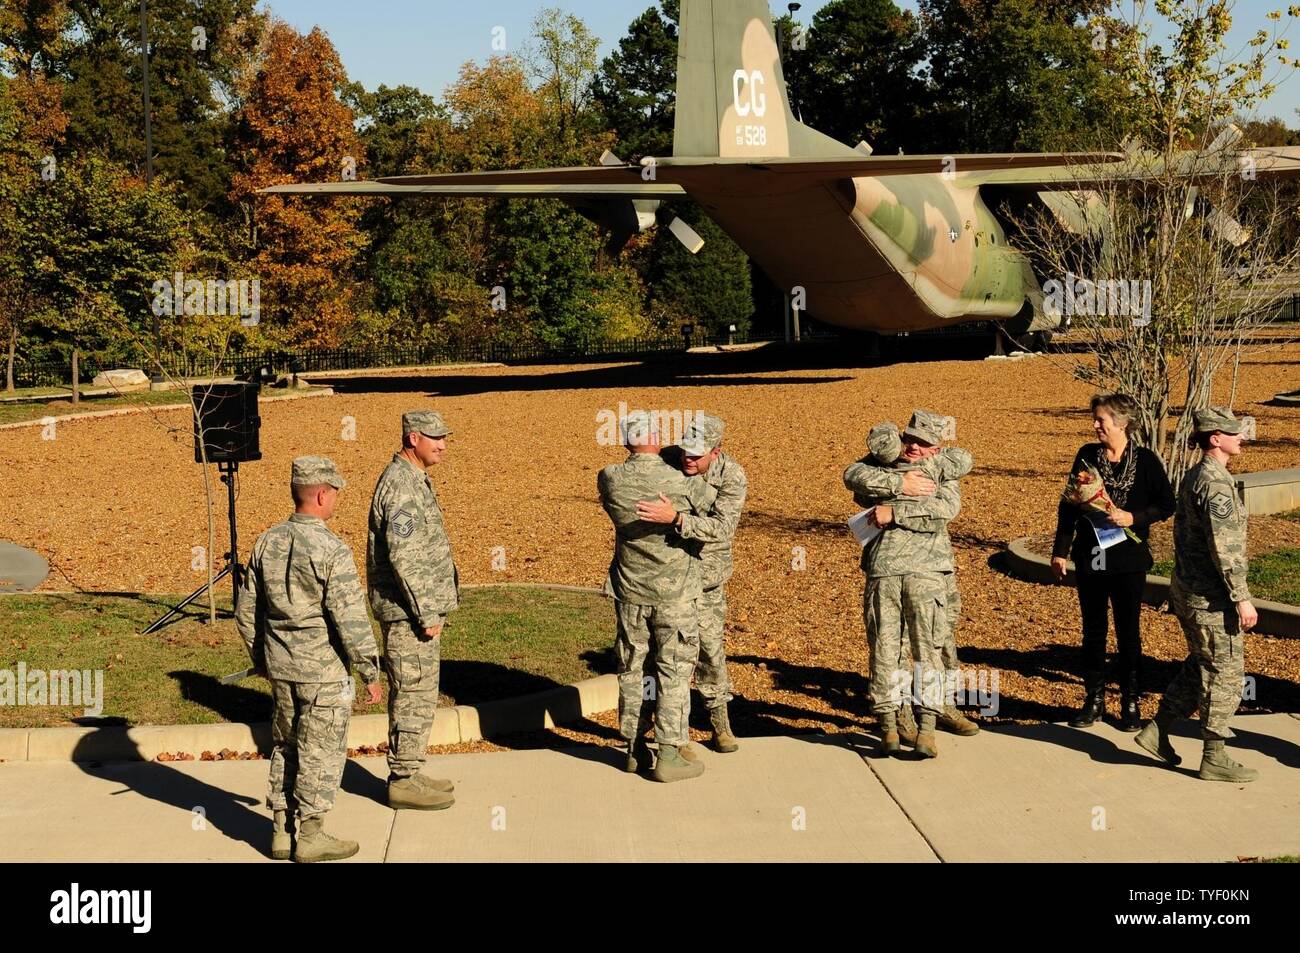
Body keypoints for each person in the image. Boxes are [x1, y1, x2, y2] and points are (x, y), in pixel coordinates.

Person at [235, 456, 383, 863]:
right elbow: (350, 618)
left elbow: (246, 612)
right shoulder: (331, 549)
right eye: (334, 493)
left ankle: (281, 830)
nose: (336, 500)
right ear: (321, 494)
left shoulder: (266, 542)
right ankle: (312, 834)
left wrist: (261, 656)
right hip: (323, 671)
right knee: (322, 749)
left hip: (281, 667)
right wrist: (370, 670)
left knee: (285, 744)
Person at [1136, 408, 1259, 782]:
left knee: (1201, 664)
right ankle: (1214, 756)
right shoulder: (1216, 483)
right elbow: (1225, 547)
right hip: (1212, 599)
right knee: (1226, 673)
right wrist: (1241, 596)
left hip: (1190, 592)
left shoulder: (1196, 476)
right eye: (1232, 432)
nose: (1241, 437)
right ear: (1215, 439)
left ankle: (1157, 730)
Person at [598, 411, 716, 782]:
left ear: (623, 442)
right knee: (674, 670)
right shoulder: (679, 482)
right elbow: (715, 525)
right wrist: (677, 516)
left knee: (633, 669)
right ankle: (669, 751)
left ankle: (632, 747)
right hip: (675, 594)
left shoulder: (610, 478)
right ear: (656, 437)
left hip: (630, 590)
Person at [843, 410, 969, 758]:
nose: (914, 447)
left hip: (928, 572)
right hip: (884, 569)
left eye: (924, 443)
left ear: (937, 446)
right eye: (910, 439)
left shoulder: (943, 468)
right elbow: (852, 477)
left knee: (929, 647)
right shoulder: (881, 464)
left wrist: (893, 512)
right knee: (886, 649)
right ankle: (892, 725)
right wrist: (902, 485)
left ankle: (928, 726)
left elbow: (945, 510)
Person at [1051, 394, 1175, 731]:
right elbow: (1069, 505)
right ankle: (1093, 699)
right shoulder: (1086, 456)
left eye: (1101, 420)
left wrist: (1133, 517)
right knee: (1093, 630)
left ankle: (1130, 701)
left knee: (1128, 631)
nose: (1095, 425)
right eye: (1095, 419)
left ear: (1121, 423)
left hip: (1129, 560)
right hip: (1091, 557)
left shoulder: (1146, 461)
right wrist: (1060, 550)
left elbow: (1167, 504)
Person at [637, 413, 748, 754]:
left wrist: (677, 520)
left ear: (716, 452)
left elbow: (722, 528)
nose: (687, 457)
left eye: (697, 454)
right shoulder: (668, 459)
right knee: (659, 655)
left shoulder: (731, 476)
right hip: (668, 578)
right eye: (686, 450)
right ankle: (650, 725)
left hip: (705, 581)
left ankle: (719, 724)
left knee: (710, 652)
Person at [368, 411, 459, 810]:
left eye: (444, 437)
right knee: (411, 693)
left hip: (416, 613)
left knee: (421, 693)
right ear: (413, 438)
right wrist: (426, 612)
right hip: (408, 615)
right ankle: (403, 778)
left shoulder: (414, 480)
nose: (442, 444)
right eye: (435, 437)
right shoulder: (401, 487)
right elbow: (405, 557)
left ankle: (411, 769)